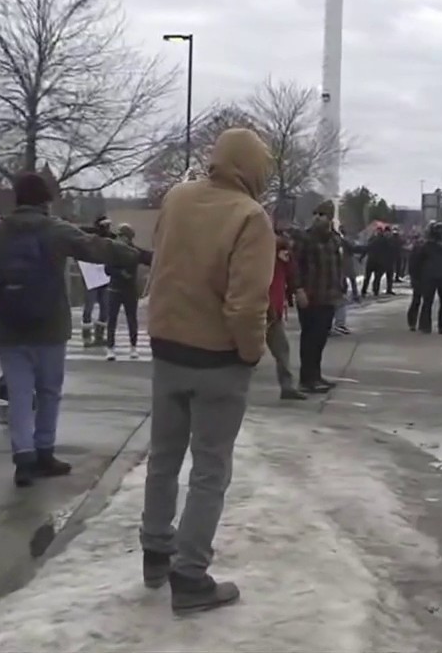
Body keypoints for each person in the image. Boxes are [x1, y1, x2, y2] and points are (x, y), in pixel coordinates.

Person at [140, 127, 276, 613]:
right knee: (210, 468)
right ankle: (190, 575)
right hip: (217, 358)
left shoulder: (177, 199)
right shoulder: (250, 217)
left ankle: (155, 551)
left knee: (163, 456)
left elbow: (159, 266)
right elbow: (246, 305)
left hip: (167, 347)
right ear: (254, 168)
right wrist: (251, 352)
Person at [0, 171, 142, 488]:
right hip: (50, 324)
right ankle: (44, 452)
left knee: (21, 396)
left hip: (9, 326)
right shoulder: (56, 230)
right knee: (49, 392)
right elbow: (96, 248)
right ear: (45, 201)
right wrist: (133, 254)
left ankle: (23, 459)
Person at [293, 201, 344, 393]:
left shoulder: (334, 240)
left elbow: (337, 267)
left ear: (330, 218)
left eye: (323, 215)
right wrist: (298, 289)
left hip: (328, 296)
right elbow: (295, 266)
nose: (318, 218)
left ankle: (316, 375)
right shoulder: (305, 239)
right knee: (310, 339)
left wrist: (340, 288)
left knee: (321, 338)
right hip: (310, 295)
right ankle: (306, 379)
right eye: (317, 214)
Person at [103, 223, 153, 361]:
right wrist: (120, 273)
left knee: (132, 319)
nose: (120, 238)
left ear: (129, 238)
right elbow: (107, 270)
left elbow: (149, 258)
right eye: (119, 236)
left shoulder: (134, 251)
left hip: (130, 290)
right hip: (114, 289)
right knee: (111, 319)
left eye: (122, 236)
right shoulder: (113, 251)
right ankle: (110, 348)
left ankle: (133, 347)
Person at [269, 228, 306, 401]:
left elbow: (291, 272)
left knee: (281, 348)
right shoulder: (277, 248)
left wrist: (297, 289)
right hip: (261, 305)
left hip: (269, 306)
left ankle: (287, 386)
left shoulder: (279, 250)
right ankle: (287, 385)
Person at [406, 221, 442, 334]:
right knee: (427, 301)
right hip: (429, 276)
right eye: (438, 231)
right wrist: (416, 276)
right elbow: (418, 259)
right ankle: (425, 325)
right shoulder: (426, 244)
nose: (440, 233)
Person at [80, 216, 115, 347]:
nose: (107, 229)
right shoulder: (89, 237)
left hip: (104, 277)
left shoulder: (110, 238)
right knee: (89, 307)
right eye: (104, 226)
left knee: (105, 307)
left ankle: (99, 336)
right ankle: (87, 337)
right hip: (91, 277)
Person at [362, 226, 394, 296]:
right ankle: (374, 290)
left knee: (370, 277)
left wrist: (361, 257)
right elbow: (388, 250)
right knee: (376, 277)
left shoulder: (373, 239)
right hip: (377, 261)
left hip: (373, 261)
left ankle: (365, 290)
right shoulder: (384, 240)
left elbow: (367, 248)